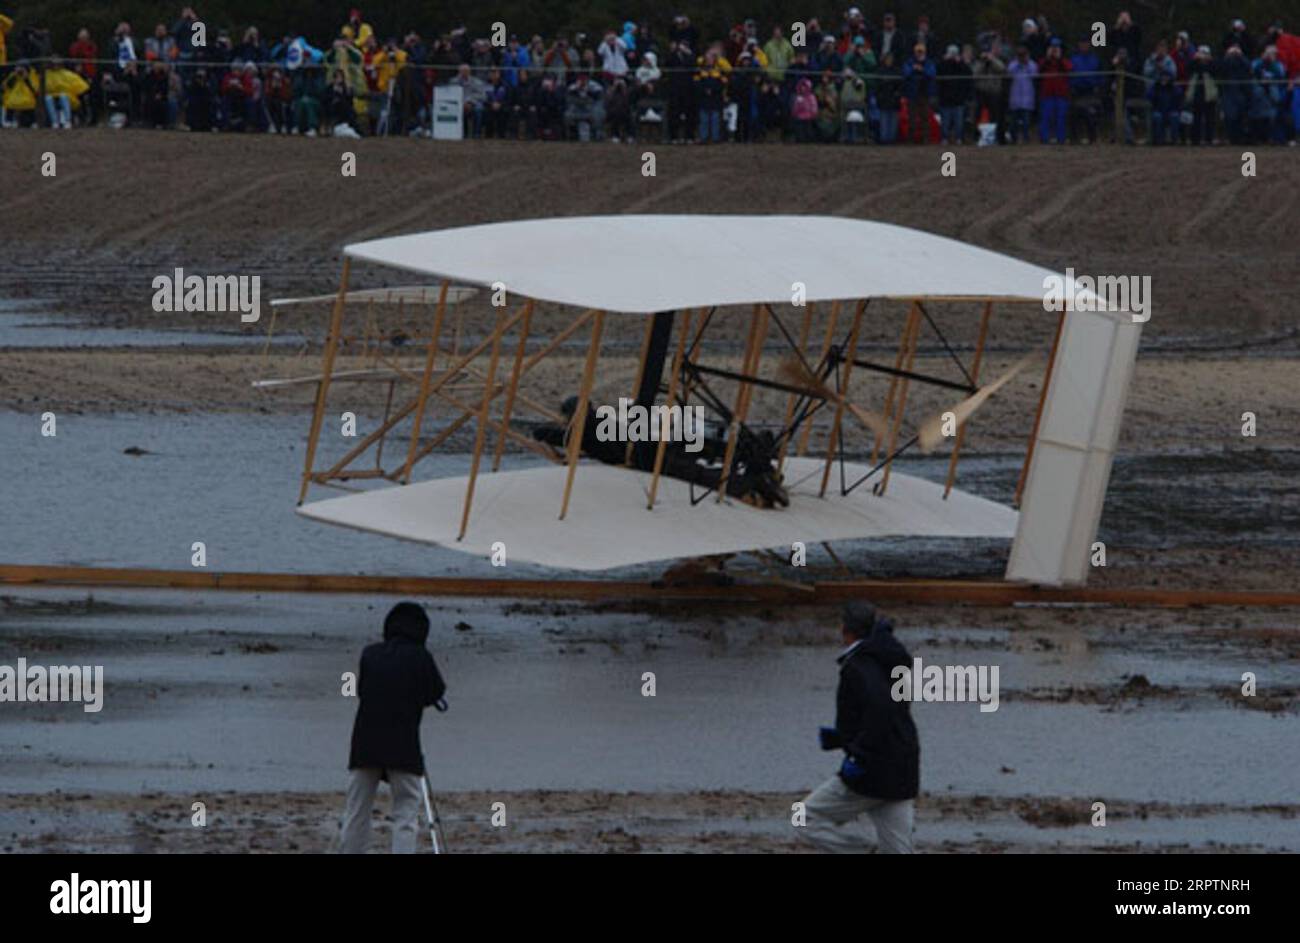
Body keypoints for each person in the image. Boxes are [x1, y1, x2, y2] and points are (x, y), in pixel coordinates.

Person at [800, 602, 919, 854]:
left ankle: (863, 851)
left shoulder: (857, 666)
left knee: (804, 818)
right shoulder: (892, 660)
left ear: (846, 630)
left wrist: (858, 754)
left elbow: (880, 711)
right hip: (904, 770)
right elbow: (896, 712)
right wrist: (842, 738)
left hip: (870, 774)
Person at [337, 602, 447, 854]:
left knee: (356, 811)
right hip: (404, 746)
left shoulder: (370, 654)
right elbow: (436, 692)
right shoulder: (421, 657)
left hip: (365, 744)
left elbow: (362, 690)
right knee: (405, 814)